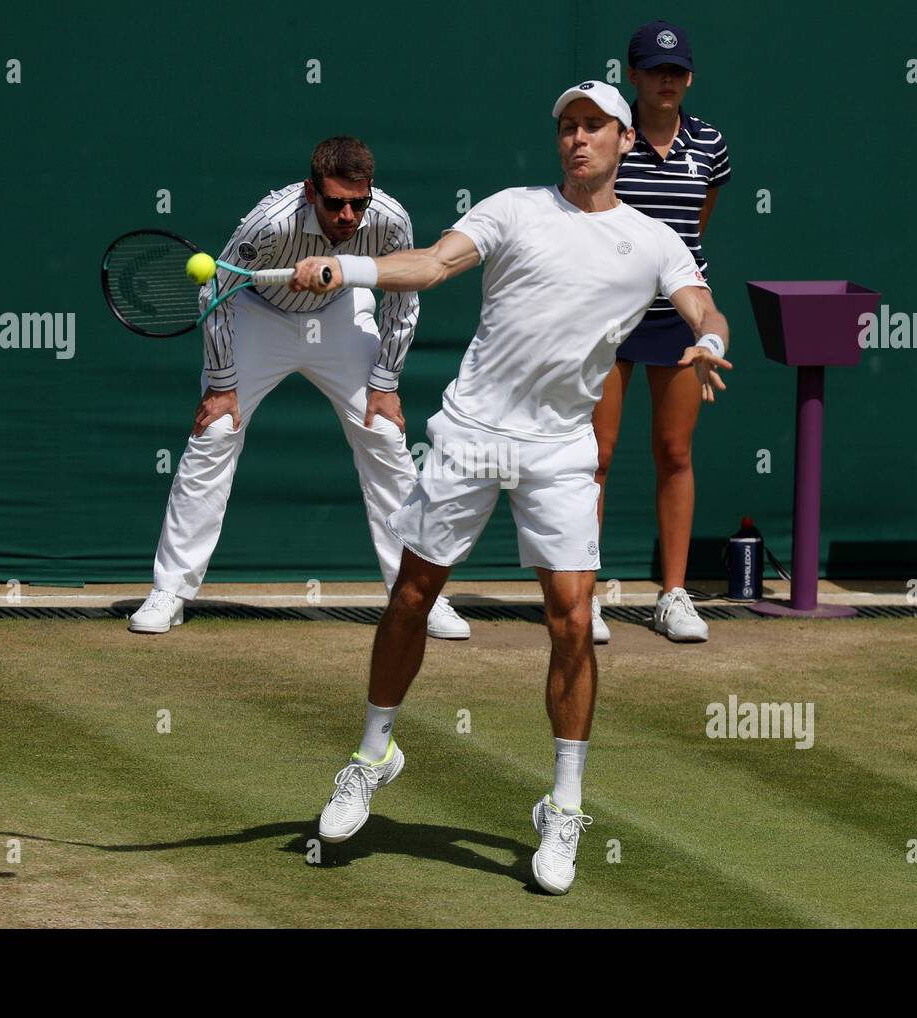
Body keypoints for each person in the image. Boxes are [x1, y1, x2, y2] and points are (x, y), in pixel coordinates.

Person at [290, 83, 733, 895]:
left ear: (624, 141)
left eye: (593, 127)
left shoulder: (655, 240)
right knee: (412, 595)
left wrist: (706, 339)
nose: (576, 139)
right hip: (471, 434)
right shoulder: (513, 209)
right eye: (566, 127)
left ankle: (562, 807)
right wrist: (347, 267)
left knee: (571, 620)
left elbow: (701, 302)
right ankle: (372, 753)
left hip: (562, 450)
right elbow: (429, 264)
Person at [127, 137, 470, 640]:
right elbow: (217, 291)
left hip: (339, 314)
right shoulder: (271, 221)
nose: (348, 215)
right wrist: (222, 386)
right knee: (216, 432)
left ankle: (418, 596)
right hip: (259, 317)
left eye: (359, 202)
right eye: (335, 203)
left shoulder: (391, 221)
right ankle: (170, 591)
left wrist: (385, 382)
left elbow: (403, 297)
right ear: (312, 192)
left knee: (384, 436)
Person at [593, 20, 733, 644]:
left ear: (690, 77)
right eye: (655, 71)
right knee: (592, 458)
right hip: (608, 322)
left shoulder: (711, 144)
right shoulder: (611, 142)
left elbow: (694, 227)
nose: (666, 81)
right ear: (635, 76)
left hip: (678, 321)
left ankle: (673, 596)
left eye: (676, 72)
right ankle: (584, 593)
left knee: (675, 453)